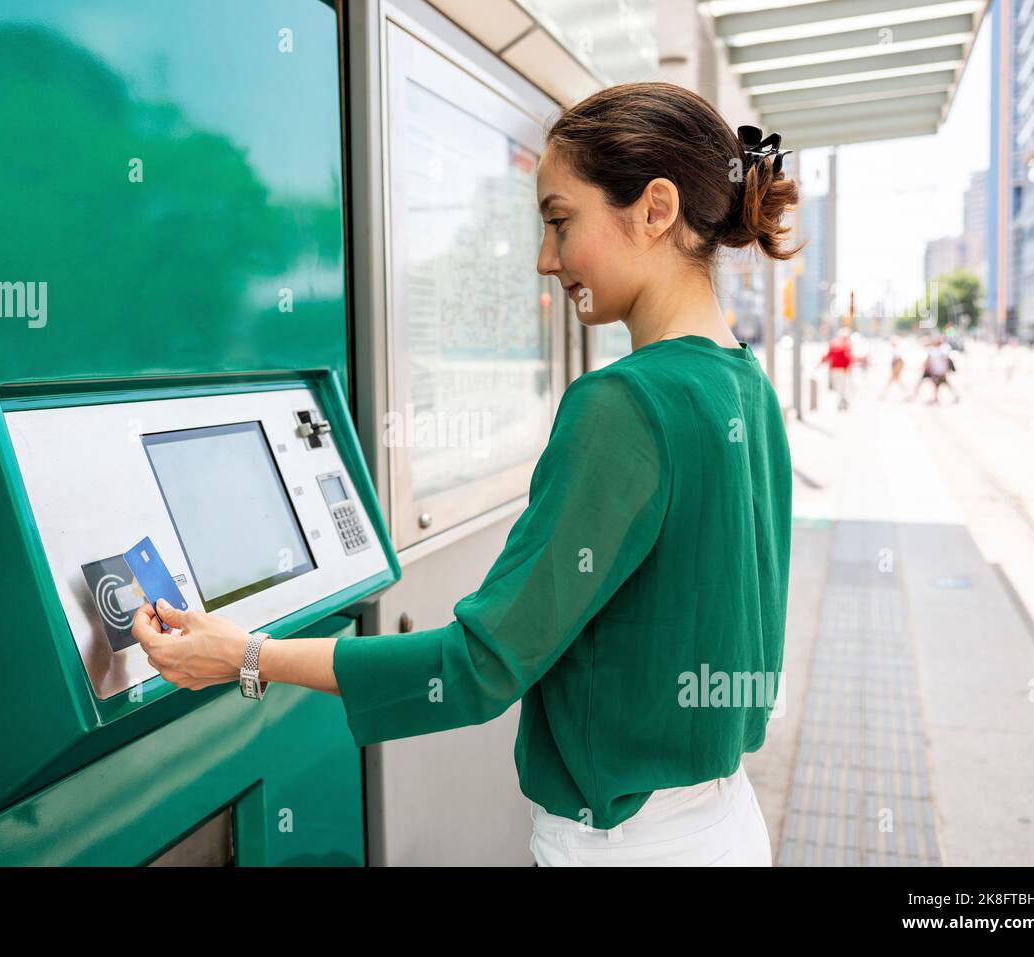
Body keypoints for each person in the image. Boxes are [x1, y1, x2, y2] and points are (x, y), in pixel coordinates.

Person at [129, 81, 796, 867]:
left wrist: (247, 656)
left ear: (655, 209)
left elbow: (479, 667)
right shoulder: (745, 386)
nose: (546, 259)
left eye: (558, 221)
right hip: (723, 826)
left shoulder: (624, 403)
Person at [818, 331, 853, 410]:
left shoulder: (845, 345)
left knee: (841, 387)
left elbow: (848, 358)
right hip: (836, 369)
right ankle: (843, 401)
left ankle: (842, 403)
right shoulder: (838, 344)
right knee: (839, 388)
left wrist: (847, 367)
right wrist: (821, 362)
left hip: (841, 370)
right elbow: (829, 355)